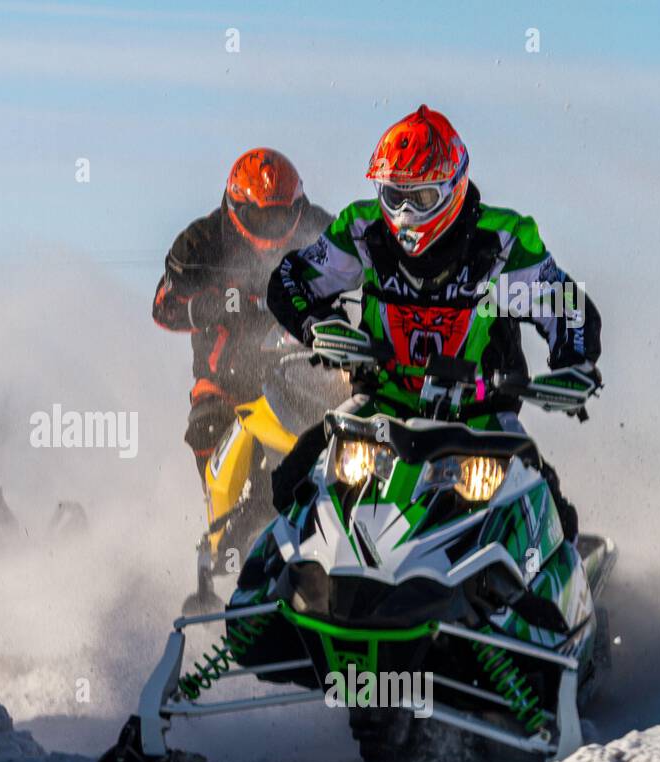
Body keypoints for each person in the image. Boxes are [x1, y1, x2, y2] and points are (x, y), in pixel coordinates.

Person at [266, 105, 601, 540]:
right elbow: (290, 279)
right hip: (382, 404)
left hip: (480, 414)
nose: (405, 213)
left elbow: (566, 307)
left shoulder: (502, 242)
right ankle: (274, 588)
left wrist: (575, 364)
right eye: (394, 195)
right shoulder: (363, 230)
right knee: (291, 482)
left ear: (453, 188)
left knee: (549, 513)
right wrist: (318, 325)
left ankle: (562, 598)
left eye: (420, 198)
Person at [153, 148, 333, 479]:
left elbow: (365, 273)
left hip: (309, 371)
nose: (273, 229)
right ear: (238, 209)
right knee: (207, 429)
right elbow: (164, 307)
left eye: (280, 216)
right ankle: (220, 522)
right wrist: (217, 303)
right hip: (226, 380)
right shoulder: (200, 243)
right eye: (262, 218)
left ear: (296, 209)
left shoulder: (319, 230)